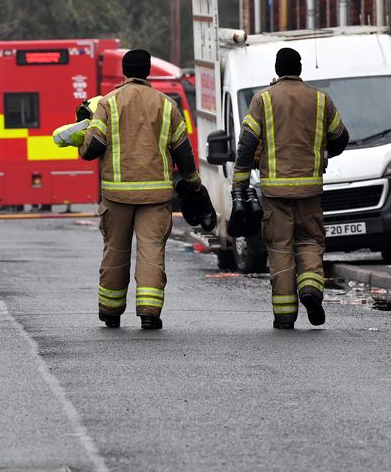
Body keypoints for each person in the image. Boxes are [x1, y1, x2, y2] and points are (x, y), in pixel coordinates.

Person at [78, 48, 202, 330]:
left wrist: (83, 134)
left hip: (117, 195)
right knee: (151, 252)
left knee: (115, 251)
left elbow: (92, 149)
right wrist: (194, 185)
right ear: (148, 72)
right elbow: (183, 152)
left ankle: (110, 312)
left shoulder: (107, 104)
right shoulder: (166, 104)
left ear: (124, 71)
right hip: (155, 197)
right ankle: (149, 312)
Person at [232, 47, 348, 330]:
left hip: (275, 193)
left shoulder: (263, 100)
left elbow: (246, 144)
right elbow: (341, 138)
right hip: (310, 190)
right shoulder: (320, 100)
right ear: (300, 68)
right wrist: (318, 153)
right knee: (310, 242)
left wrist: (239, 186)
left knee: (281, 248)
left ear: (277, 69)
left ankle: (284, 315)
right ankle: (311, 290)